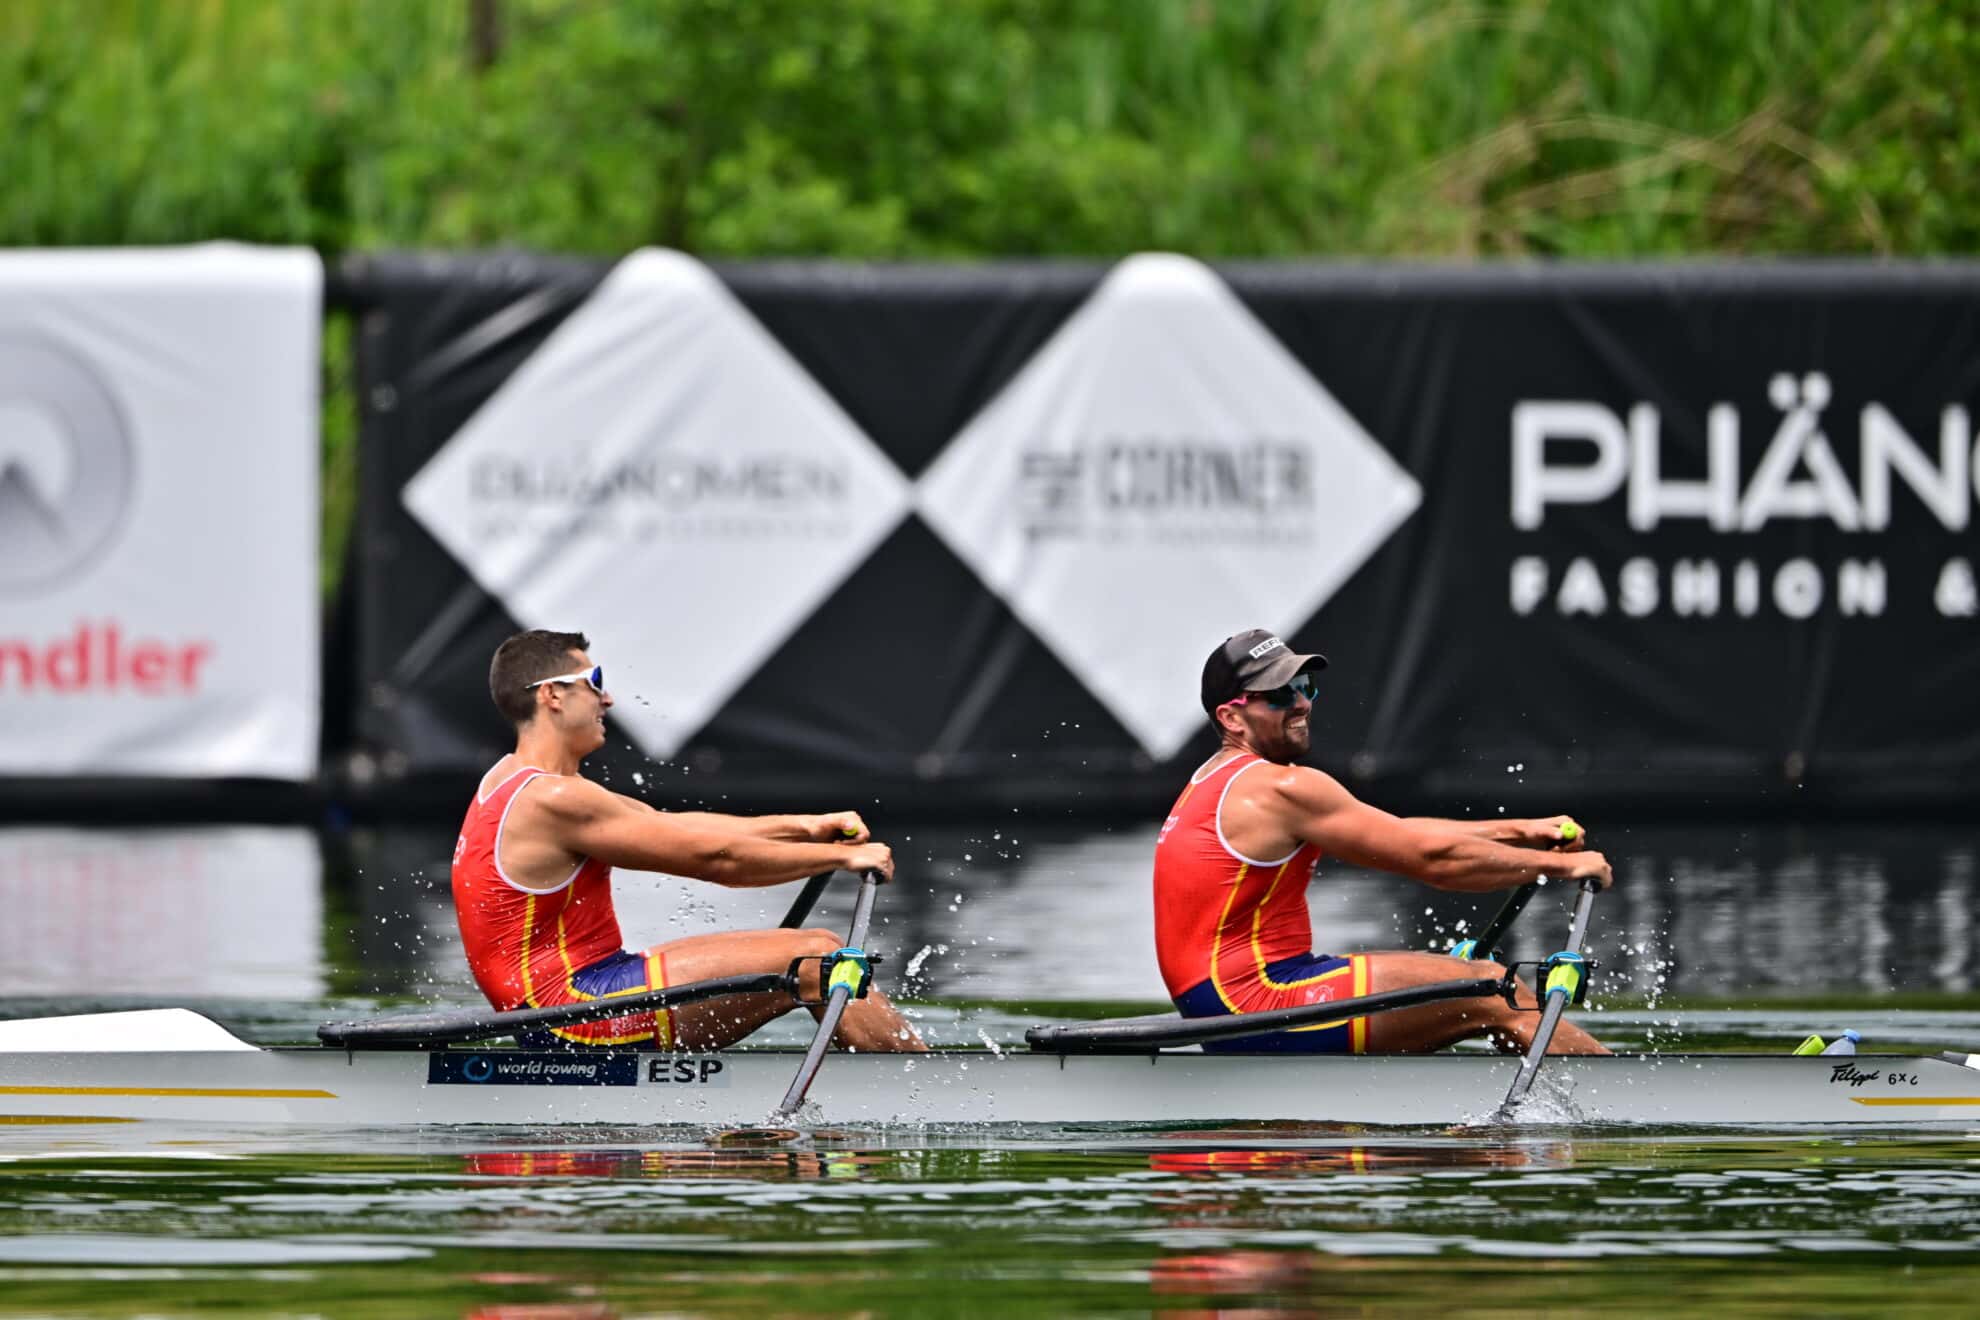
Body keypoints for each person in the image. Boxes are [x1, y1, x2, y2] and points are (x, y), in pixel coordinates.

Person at [452, 628, 925, 1053]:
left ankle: (883, 1074)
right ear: (552, 695)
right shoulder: (552, 799)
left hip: (572, 998)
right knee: (818, 957)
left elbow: (679, 826)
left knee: (810, 948)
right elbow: (716, 861)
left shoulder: (513, 780)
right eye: (594, 681)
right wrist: (842, 859)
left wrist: (807, 827)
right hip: (572, 1014)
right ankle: (916, 1092)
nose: (608, 699)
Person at [1154, 629, 1613, 1056]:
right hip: (1254, 1001)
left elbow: (1400, 832)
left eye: (1305, 685)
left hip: (1223, 1002)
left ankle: (1504, 1133)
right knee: (1495, 989)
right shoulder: (1278, 788)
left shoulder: (1212, 781)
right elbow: (1431, 861)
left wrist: (1520, 831)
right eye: (1278, 694)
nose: (1301, 703)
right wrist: (1561, 868)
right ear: (1231, 717)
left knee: (1475, 987)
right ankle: (1620, 1106)